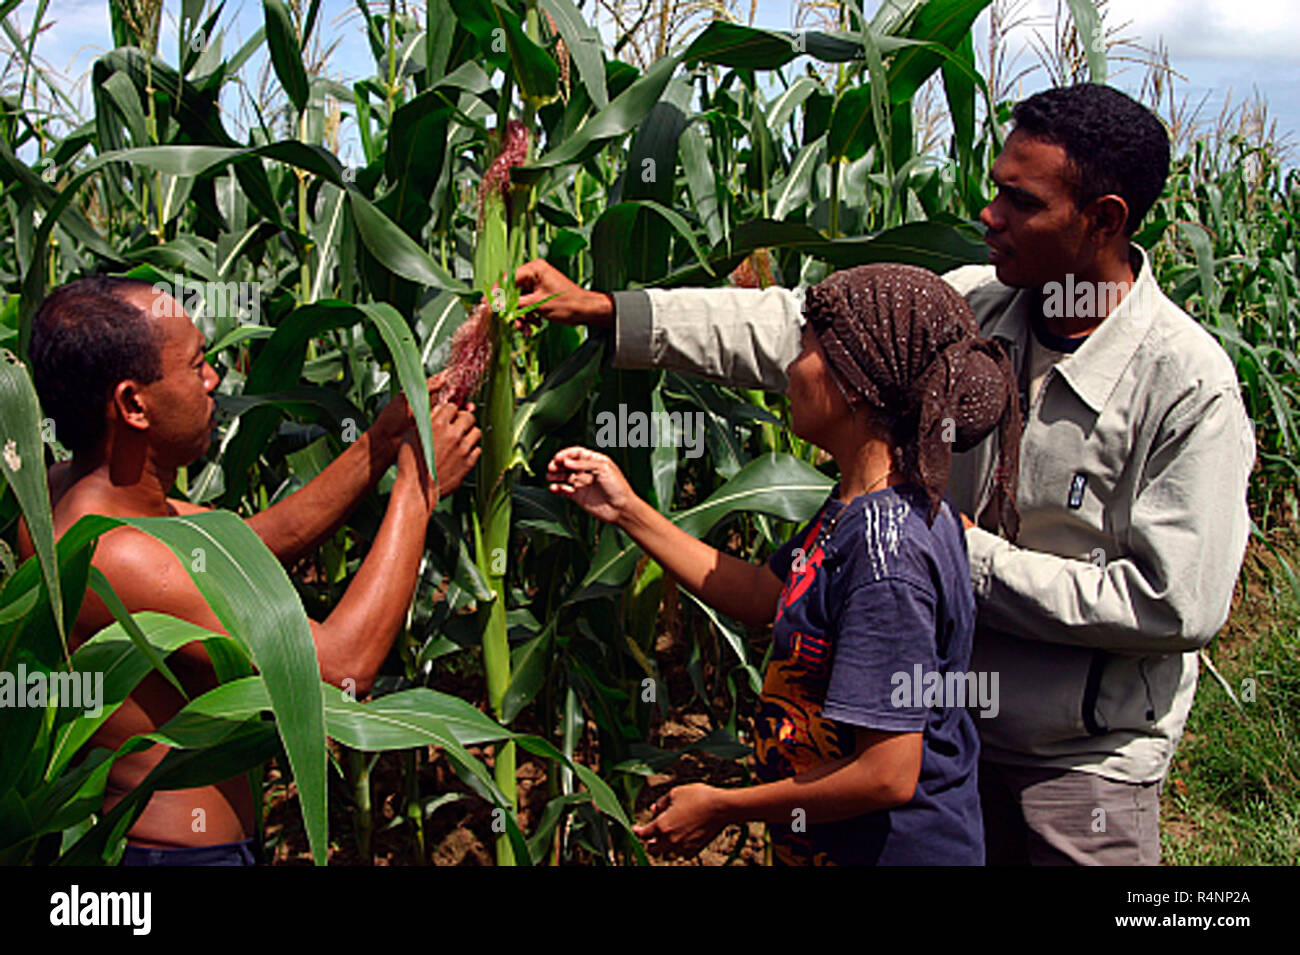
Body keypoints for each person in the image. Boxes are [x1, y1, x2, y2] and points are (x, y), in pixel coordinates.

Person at [516, 83, 1256, 865]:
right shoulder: (966, 307)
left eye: (1020, 200)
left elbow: (1177, 605)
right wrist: (610, 310)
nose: (988, 215)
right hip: (935, 730)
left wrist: (965, 559)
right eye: (992, 188)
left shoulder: (1185, 385)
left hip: (1076, 760)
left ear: (1104, 219)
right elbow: (796, 324)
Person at [548, 263, 1020, 865]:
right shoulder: (855, 509)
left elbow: (888, 774)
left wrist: (726, 805)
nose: (791, 370)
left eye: (805, 350)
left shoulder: (887, 552)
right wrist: (627, 510)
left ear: (856, 383)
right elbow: (762, 595)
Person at [17, 275, 482, 865]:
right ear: (134, 404)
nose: (213, 380)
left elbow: (238, 551)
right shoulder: (116, 554)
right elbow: (341, 669)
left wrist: (381, 443)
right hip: (181, 858)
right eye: (195, 366)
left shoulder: (67, 493)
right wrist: (418, 488)